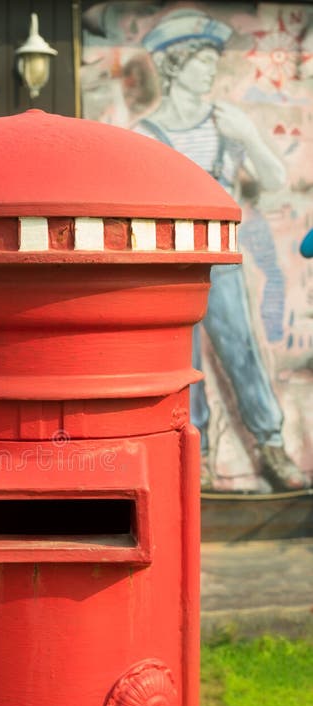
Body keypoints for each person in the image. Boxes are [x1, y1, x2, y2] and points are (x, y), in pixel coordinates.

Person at [135, 9, 309, 491]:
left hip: (224, 264)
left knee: (242, 353)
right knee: (181, 359)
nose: (211, 69)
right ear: (173, 65)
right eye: (201, 60)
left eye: (214, 60)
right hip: (170, 267)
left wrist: (250, 137)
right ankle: (198, 452)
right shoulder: (147, 134)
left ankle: (271, 446)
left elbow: (275, 181)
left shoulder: (228, 123)